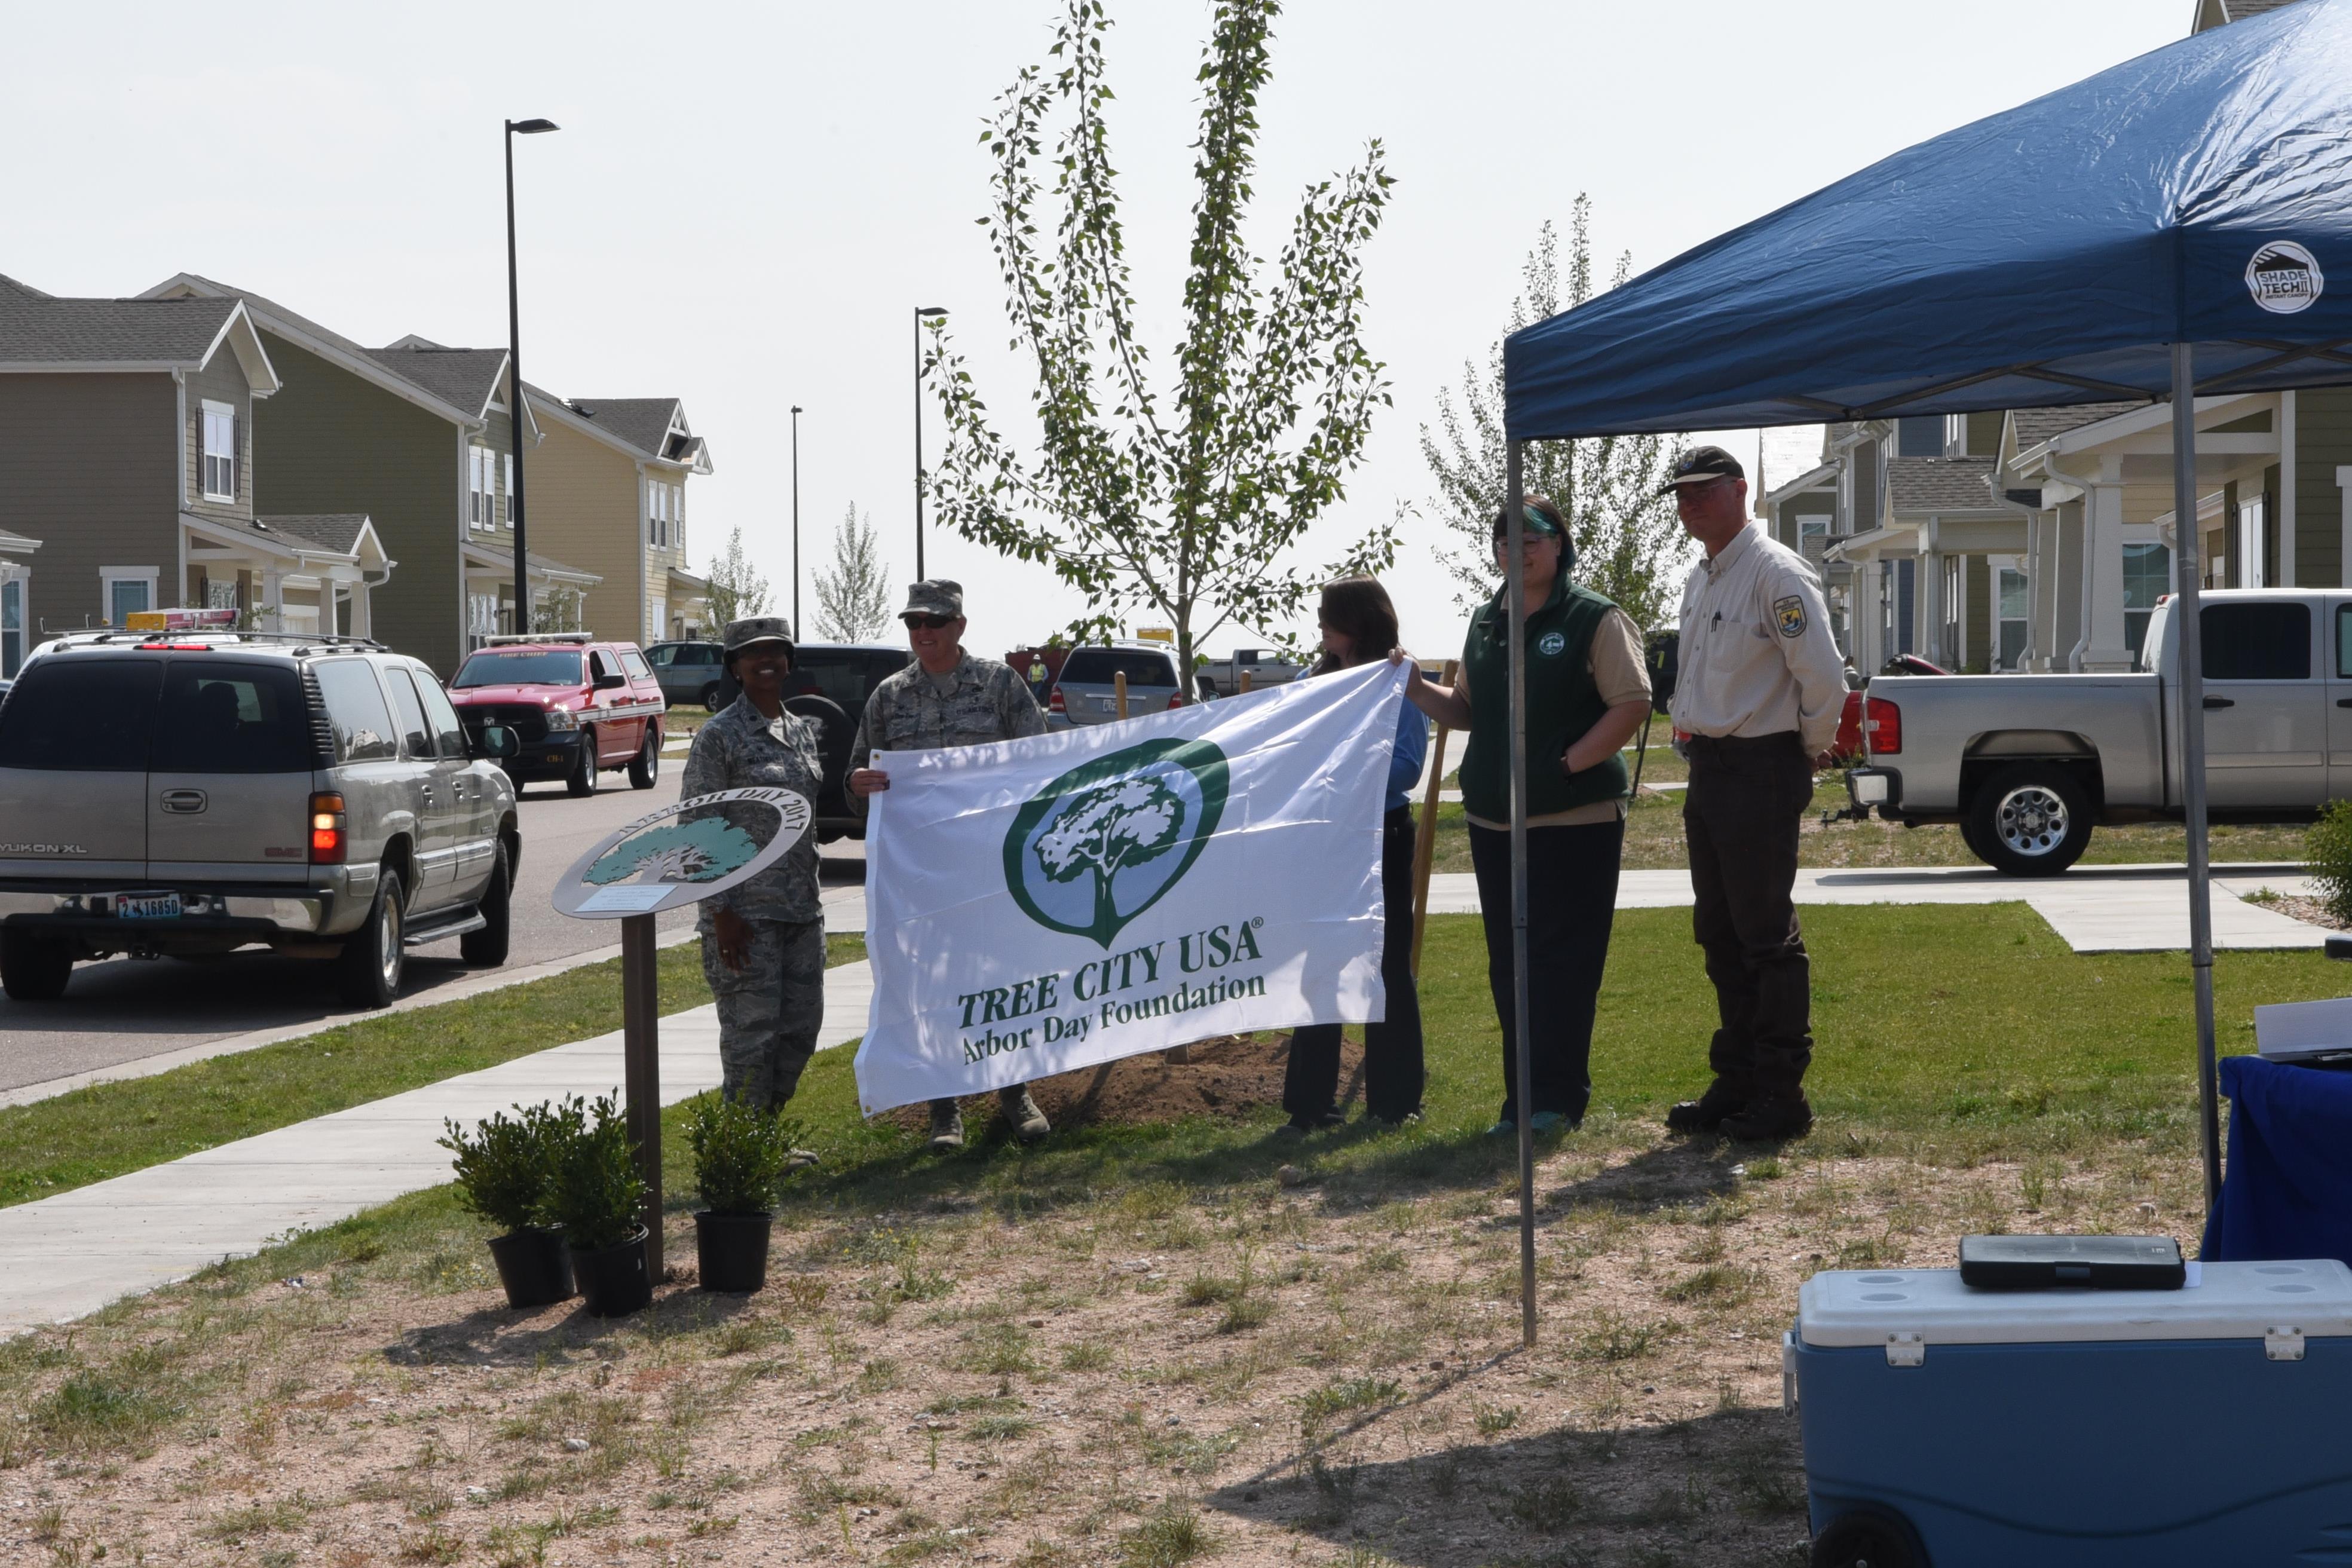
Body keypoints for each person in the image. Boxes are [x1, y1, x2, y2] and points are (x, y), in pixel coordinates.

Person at [1396, 498, 1650, 1135]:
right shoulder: (1487, 621)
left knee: (1563, 961)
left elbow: (1633, 701)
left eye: (1532, 536)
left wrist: (1567, 764)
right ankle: (1521, 1102)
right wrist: (1411, 683)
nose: (1517, 548)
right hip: (1493, 821)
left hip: (1575, 820)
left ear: (1560, 544)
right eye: (1504, 538)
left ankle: (1560, 1100)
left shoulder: (1596, 616)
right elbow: (1465, 710)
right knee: (1509, 964)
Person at [1659, 445, 1846, 1141]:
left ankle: (1780, 1093)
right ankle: (1736, 1080)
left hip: (1761, 764)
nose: (1691, 504)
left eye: (1704, 491)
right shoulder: (1701, 579)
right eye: (1681, 494)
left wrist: (1802, 745)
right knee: (1720, 931)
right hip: (1711, 766)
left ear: (1742, 491)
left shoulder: (1776, 573)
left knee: (1765, 936)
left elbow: (1825, 678)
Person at [847, 579, 1052, 1150]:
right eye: (914, 623)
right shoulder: (889, 696)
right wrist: (857, 785)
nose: (923, 633)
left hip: (991, 867)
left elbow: (1039, 761)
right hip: (921, 877)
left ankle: (1016, 1091)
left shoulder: (999, 685)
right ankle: (945, 1108)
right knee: (932, 981)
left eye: (934, 622)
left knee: (1002, 976)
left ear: (959, 625)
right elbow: (856, 779)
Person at [1279, 577, 1428, 1135]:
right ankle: (1309, 1105)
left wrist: (1336, 776)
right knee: (1319, 965)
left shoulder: (1398, 678)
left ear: (1359, 621)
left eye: (1328, 616)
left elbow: (1408, 767)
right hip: (1321, 839)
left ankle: (1395, 1102)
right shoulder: (1308, 681)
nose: (1319, 625)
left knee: (1388, 966)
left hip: (1381, 834)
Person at [681, 617, 828, 1143]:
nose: (766, 661)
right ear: (736, 668)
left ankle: (762, 1137)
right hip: (744, 919)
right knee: (751, 1040)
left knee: (799, 1032)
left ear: (789, 662)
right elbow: (698, 830)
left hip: (801, 913)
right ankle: (741, 1152)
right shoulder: (719, 737)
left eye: (776, 652)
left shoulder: (801, 731)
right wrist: (721, 913)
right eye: (752, 654)